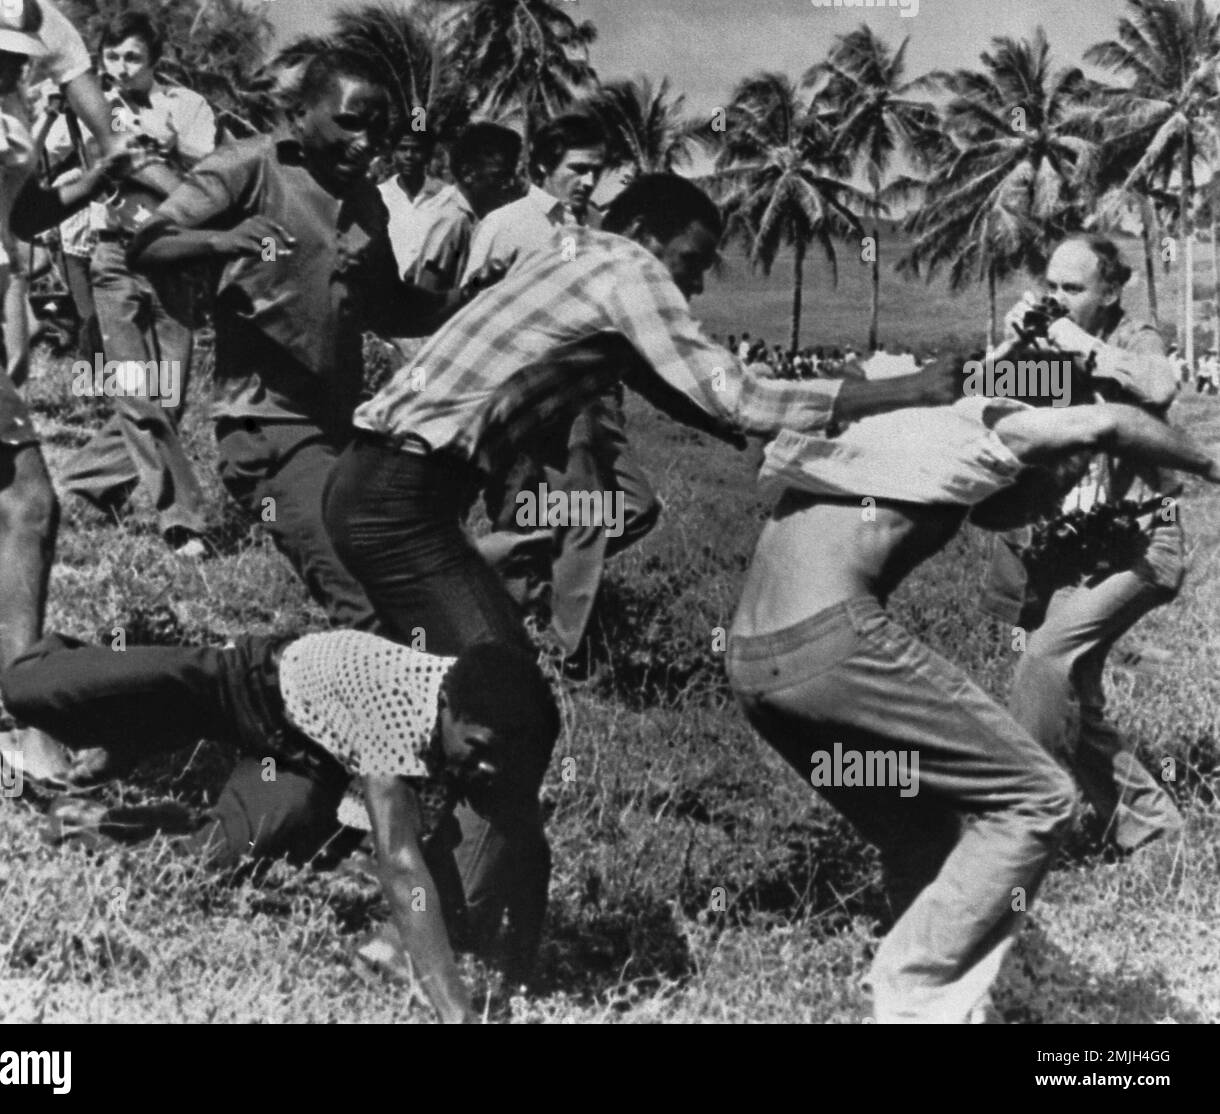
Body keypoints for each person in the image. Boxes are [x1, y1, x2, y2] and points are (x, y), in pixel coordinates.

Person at [324, 173, 961, 969]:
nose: (694, 280)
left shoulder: (576, 258)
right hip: (402, 501)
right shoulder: (631, 271)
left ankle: (396, 880)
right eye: (693, 260)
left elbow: (674, 391)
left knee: (456, 704)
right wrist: (906, 390)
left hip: (376, 485)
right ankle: (450, 943)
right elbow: (737, 394)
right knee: (511, 714)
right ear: (651, 235)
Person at [727, 378, 1220, 1022]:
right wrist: (1213, 463)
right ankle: (912, 996)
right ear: (1038, 464)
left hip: (755, 668)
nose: (1039, 516)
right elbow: (1113, 422)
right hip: (828, 644)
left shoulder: (903, 433)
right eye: (1052, 492)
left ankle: (935, 977)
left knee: (921, 826)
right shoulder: (987, 432)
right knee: (1038, 796)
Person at [0, 627, 560, 1022]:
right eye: (478, 748)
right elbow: (401, 864)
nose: (486, 767)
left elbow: (532, 851)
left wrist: (524, 968)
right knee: (29, 690)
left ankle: (94, 822)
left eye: (497, 758)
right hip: (252, 687)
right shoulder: (401, 707)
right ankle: (81, 677)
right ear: (448, 710)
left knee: (210, 859)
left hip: (310, 762)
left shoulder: (494, 730)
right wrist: (457, 1015)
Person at [128, 52, 480, 631]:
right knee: (362, 600)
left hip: (342, 431)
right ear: (299, 115)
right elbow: (150, 242)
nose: (367, 143)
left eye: (379, 130)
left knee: (400, 581)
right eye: (350, 122)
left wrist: (470, 302)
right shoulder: (249, 166)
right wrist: (224, 242)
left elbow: (390, 304)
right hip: (266, 426)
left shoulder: (368, 200)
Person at [0, 1, 146, 686]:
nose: (17, 62)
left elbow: (27, 213)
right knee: (25, 503)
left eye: (23, 50)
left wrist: (99, 177)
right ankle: (31, 704)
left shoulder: (2, 107)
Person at [983, 235, 1187, 856]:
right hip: (1076, 546)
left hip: (1145, 542)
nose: (1059, 300)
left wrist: (1082, 348)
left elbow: (1160, 386)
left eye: (1073, 289)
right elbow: (981, 395)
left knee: (1044, 660)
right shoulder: (1049, 347)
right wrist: (1017, 343)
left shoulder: (1132, 336)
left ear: (1110, 291)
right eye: (1052, 287)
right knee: (1074, 695)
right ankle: (1148, 828)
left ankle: (1018, 820)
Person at [463, 113, 661, 656]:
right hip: (529, 393)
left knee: (635, 506)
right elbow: (470, 309)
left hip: (594, 395)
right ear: (543, 166)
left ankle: (484, 566)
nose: (588, 181)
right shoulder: (508, 226)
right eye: (577, 169)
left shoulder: (595, 230)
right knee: (566, 510)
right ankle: (558, 650)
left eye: (596, 171)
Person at [56, 12, 217, 557]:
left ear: (155, 61)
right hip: (114, 258)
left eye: (132, 58)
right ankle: (182, 519)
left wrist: (152, 153)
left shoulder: (187, 106)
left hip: (173, 259)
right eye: (112, 57)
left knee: (167, 397)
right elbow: (64, 157)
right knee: (133, 390)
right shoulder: (90, 108)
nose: (121, 69)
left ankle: (82, 480)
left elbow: (209, 178)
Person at [407, 123, 522, 295]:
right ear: (468, 174)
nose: (509, 184)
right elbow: (426, 293)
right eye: (499, 176)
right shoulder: (453, 218)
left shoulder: (458, 212)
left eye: (511, 176)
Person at [378, 129, 444, 280]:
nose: (409, 156)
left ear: (427, 154)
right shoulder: (379, 196)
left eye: (416, 150)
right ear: (393, 153)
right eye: (402, 149)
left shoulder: (444, 196)